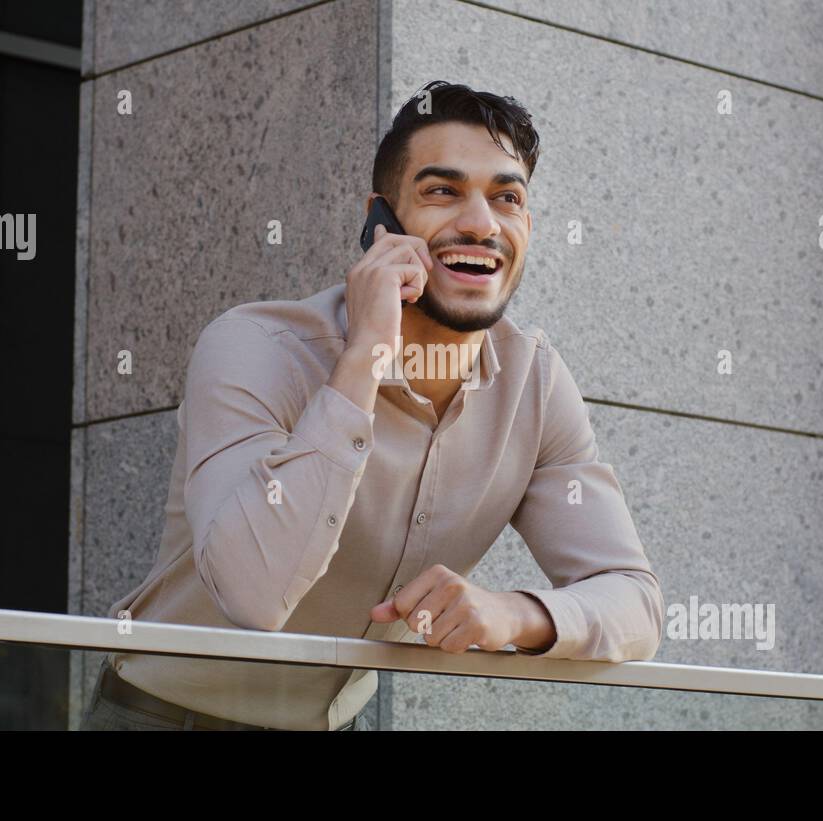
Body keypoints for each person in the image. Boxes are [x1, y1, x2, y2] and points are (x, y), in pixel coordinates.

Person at [81, 80, 664, 732]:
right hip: (164, 717)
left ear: (526, 226)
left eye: (507, 198)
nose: (480, 222)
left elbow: (635, 601)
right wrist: (363, 359)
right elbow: (252, 594)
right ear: (380, 222)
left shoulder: (536, 384)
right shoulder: (256, 346)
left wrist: (514, 614)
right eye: (442, 192)